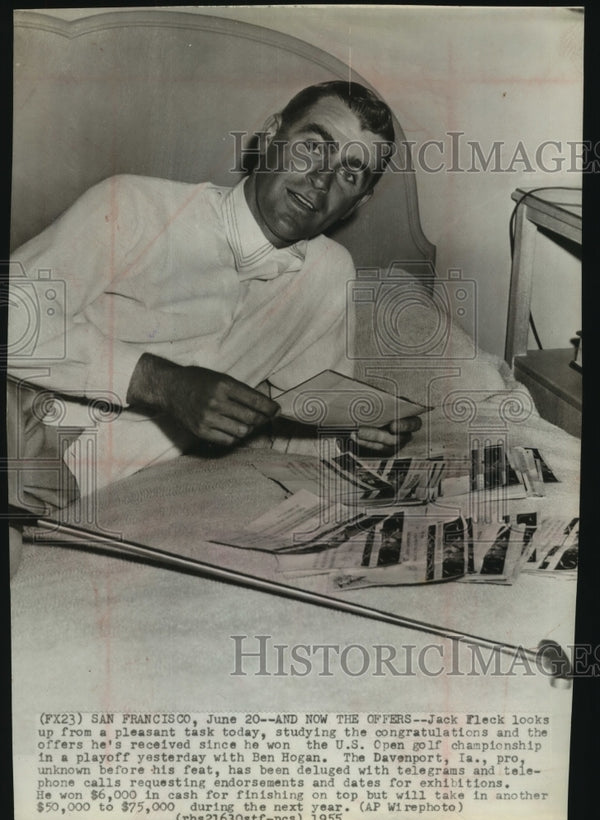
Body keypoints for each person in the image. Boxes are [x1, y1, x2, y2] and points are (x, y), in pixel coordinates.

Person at [7, 80, 421, 511]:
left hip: (73, 476)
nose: (322, 178)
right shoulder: (132, 204)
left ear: (360, 201)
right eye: (312, 148)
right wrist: (161, 382)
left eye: (350, 173)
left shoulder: (329, 273)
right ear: (269, 135)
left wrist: (356, 436)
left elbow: (300, 422)